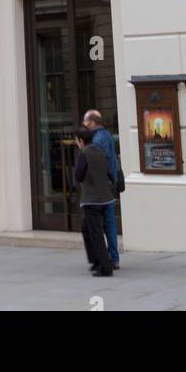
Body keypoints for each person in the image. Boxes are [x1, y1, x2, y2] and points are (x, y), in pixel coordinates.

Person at [83, 109, 121, 270]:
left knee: (105, 223)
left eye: (85, 121)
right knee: (107, 222)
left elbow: (98, 164)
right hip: (109, 183)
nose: (84, 124)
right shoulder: (106, 135)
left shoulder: (97, 140)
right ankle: (110, 257)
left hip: (103, 186)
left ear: (92, 122)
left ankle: (110, 258)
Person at [74, 126, 114, 277]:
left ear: (81, 141)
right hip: (105, 197)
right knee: (86, 229)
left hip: (92, 199)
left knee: (95, 233)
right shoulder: (100, 151)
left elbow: (78, 175)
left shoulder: (84, 154)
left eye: (77, 140)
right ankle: (96, 260)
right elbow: (109, 171)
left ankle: (105, 266)